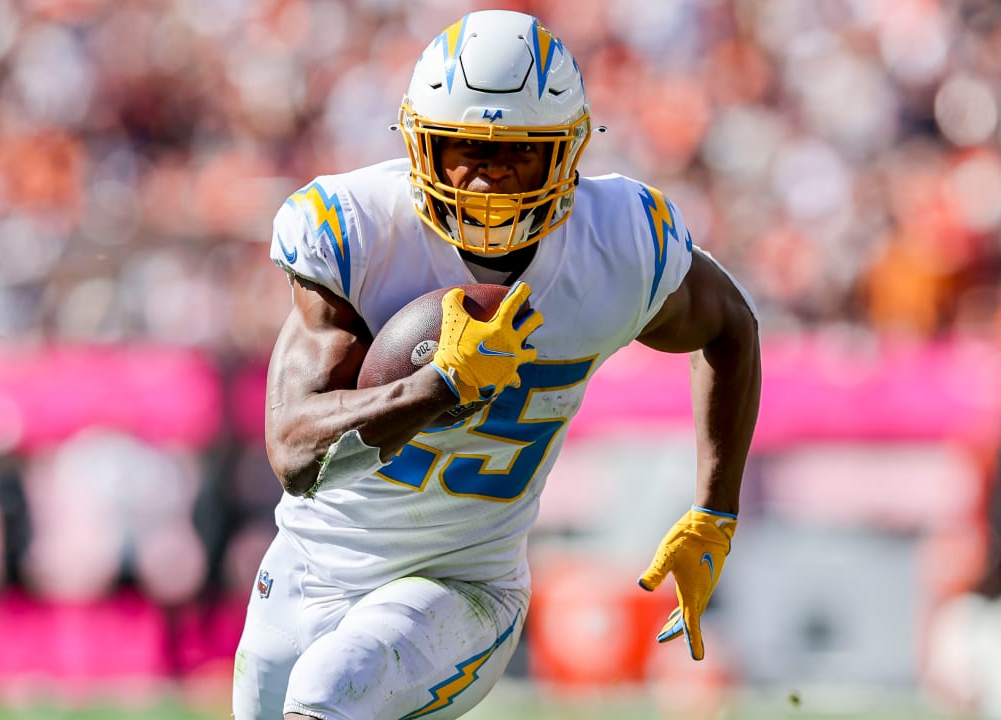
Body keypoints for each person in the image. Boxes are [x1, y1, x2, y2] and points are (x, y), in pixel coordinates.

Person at [233, 9, 761, 720]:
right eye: (465, 153)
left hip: (464, 585)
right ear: (421, 146)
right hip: (309, 569)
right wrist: (438, 386)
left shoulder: (620, 244)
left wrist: (713, 512)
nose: (486, 183)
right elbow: (293, 451)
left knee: (330, 693)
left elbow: (732, 329)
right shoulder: (358, 229)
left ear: (567, 154)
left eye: (516, 155)